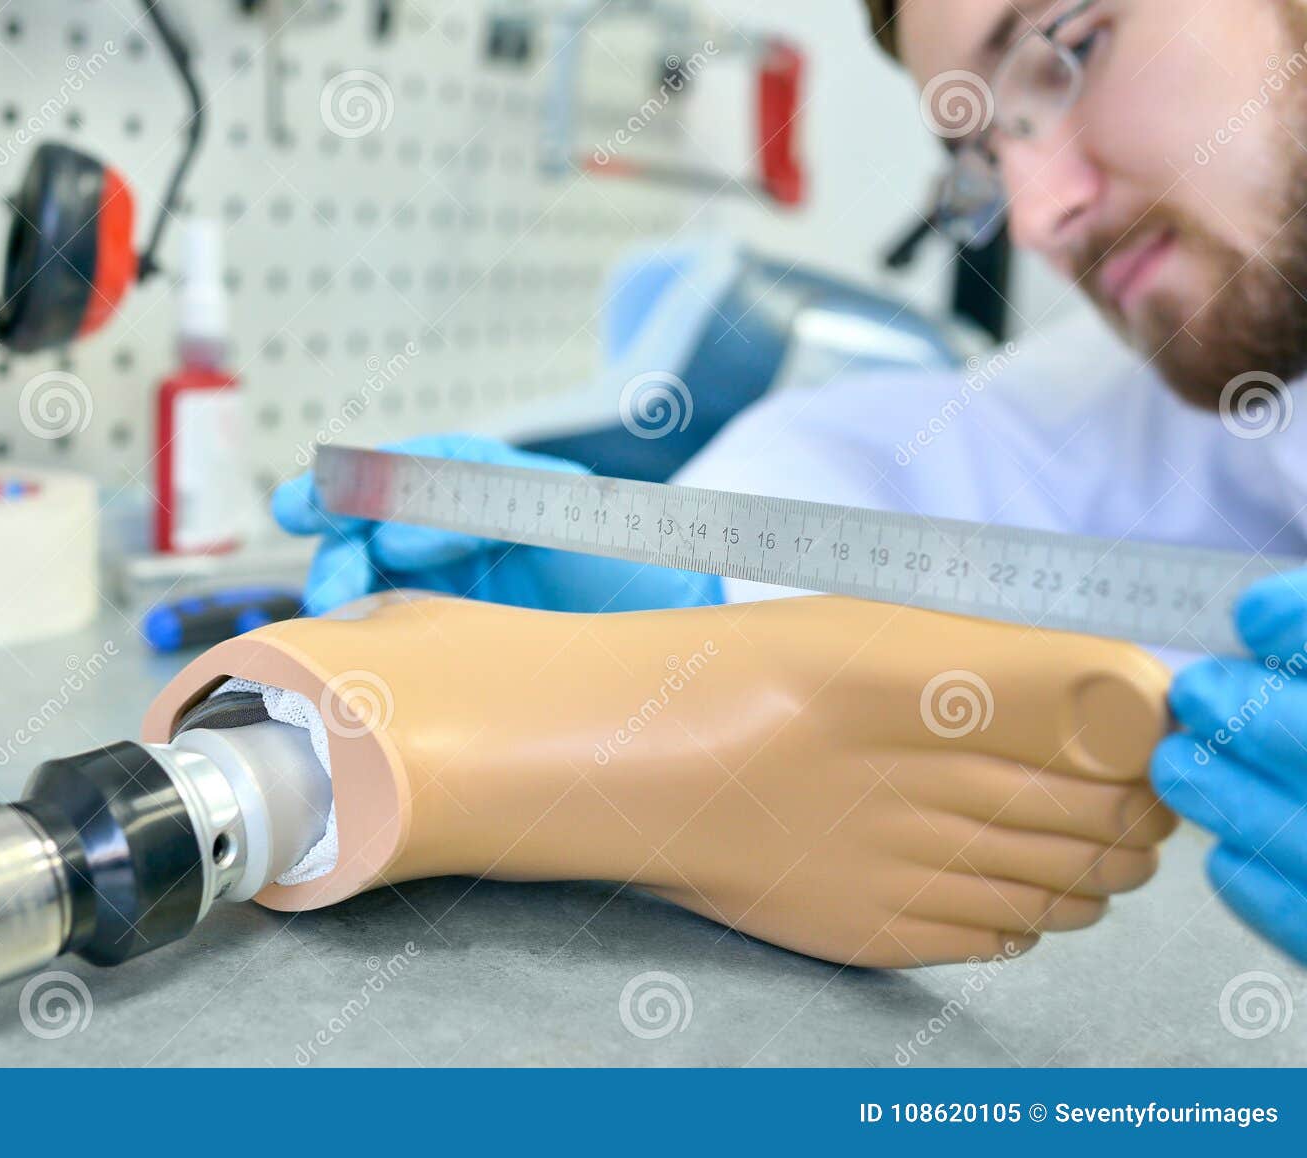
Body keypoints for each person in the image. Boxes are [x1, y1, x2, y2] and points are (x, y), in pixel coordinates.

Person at [274, 0, 1307, 965]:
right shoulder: (1202, 392)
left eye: (1065, 52)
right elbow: (934, 466)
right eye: (986, 152)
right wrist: (680, 591)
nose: (1037, 215)